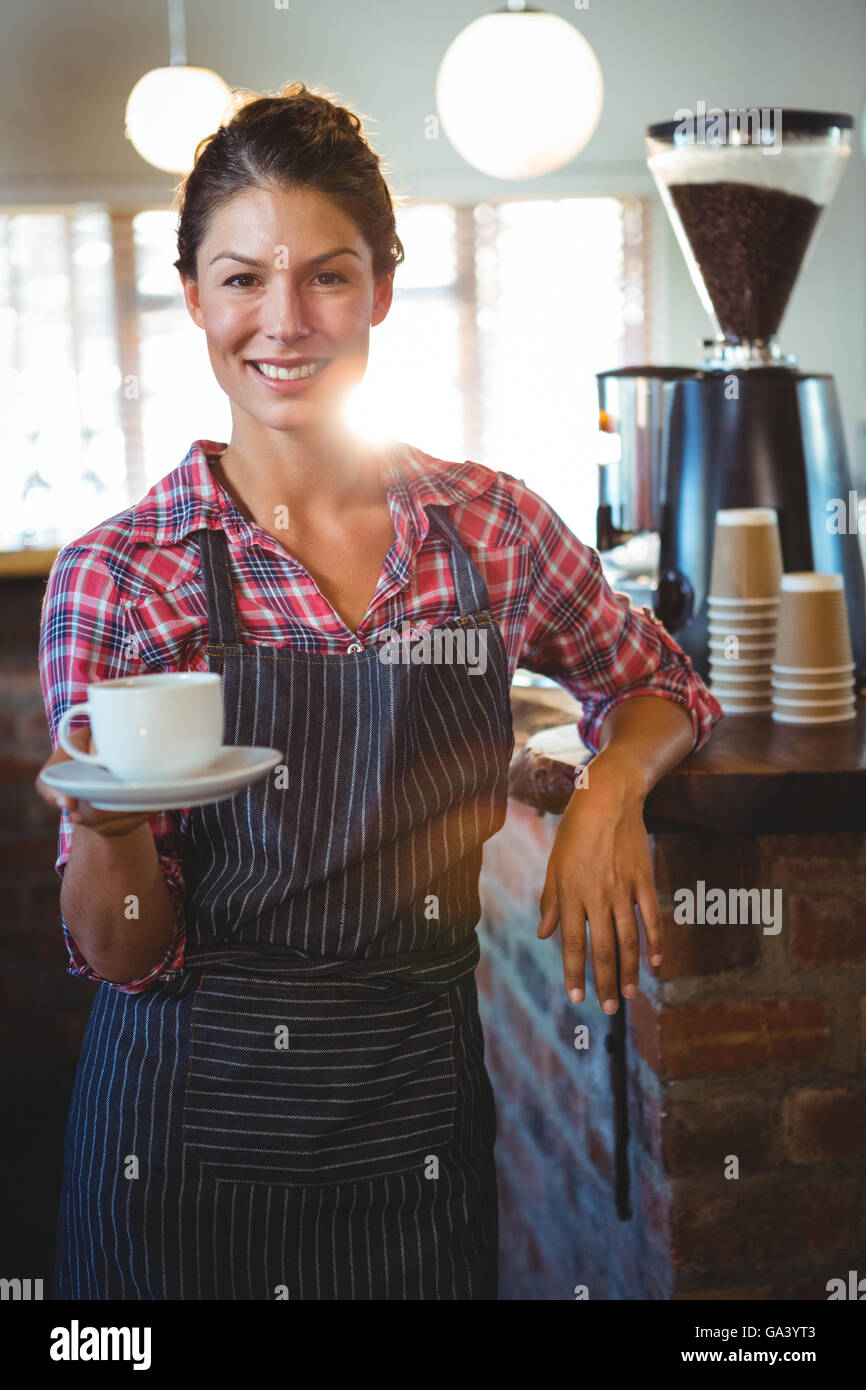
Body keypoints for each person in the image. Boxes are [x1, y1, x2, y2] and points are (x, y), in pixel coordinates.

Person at [35, 81, 723, 1301]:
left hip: (416, 1130)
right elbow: (116, 945)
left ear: (382, 292)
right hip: (182, 1142)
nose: (283, 320)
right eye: (241, 277)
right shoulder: (119, 575)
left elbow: (655, 678)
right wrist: (109, 827)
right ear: (192, 295)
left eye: (328, 275)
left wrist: (612, 783)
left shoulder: (489, 525)